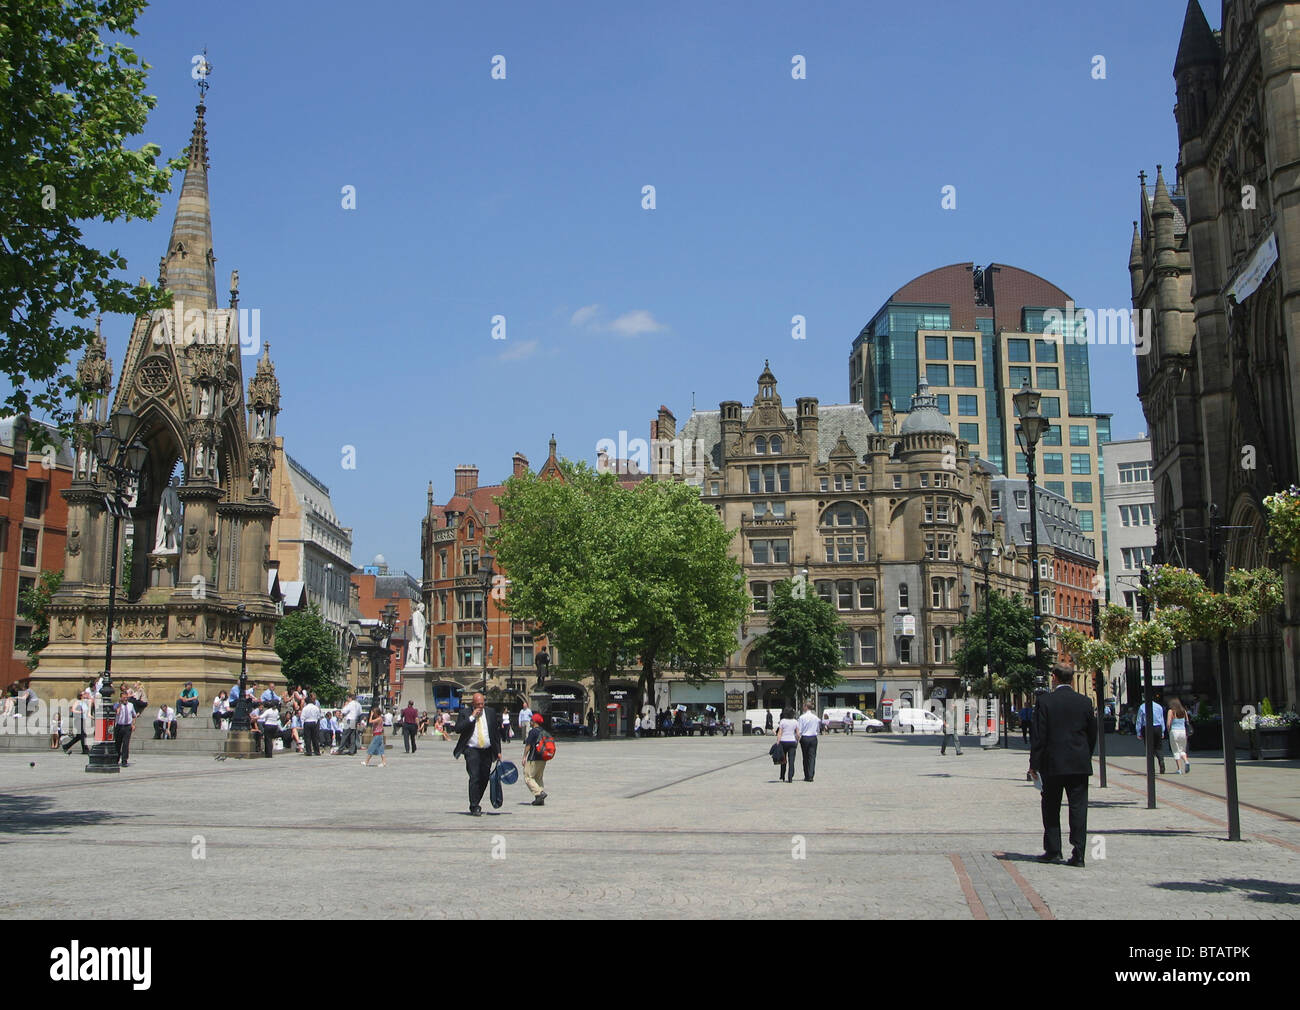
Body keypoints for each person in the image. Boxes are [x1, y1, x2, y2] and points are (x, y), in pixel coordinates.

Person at [1030, 667, 1098, 867]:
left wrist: (1034, 764)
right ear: (1071, 679)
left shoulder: (1045, 702)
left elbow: (1039, 736)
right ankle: (1079, 853)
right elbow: (1092, 734)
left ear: (1055, 677)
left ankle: (1053, 850)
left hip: (1052, 764)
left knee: (1051, 807)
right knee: (1078, 807)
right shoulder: (1085, 702)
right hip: (1078, 763)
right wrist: (1085, 754)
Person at [453, 692, 501, 815]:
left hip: (487, 750)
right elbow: (458, 729)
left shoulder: (490, 712)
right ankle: (474, 806)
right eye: (478, 704)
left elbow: (495, 733)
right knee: (474, 777)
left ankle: (476, 800)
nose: (480, 706)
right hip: (472, 749)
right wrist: (472, 717)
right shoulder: (465, 713)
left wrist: (498, 751)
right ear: (473, 704)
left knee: (485, 777)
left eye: (482, 703)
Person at [522, 712, 550, 806]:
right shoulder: (543, 731)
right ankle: (539, 800)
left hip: (533, 758)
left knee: (528, 777)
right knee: (538, 778)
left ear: (534, 722)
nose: (530, 721)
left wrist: (524, 756)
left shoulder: (533, 731)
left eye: (531, 720)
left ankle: (539, 794)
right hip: (543, 758)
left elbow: (528, 745)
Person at [1135, 694, 1167, 774]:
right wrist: (1162, 731)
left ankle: (1151, 768)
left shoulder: (1142, 707)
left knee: (1149, 748)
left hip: (1147, 728)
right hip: (1158, 727)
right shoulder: (1159, 707)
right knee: (1159, 747)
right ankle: (1161, 761)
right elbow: (1161, 719)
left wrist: (1138, 732)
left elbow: (1139, 720)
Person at [796, 702, 820, 781]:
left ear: (806, 707)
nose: (803, 707)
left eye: (803, 706)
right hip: (813, 737)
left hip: (805, 738)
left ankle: (806, 775)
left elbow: (799, 730)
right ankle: (811, 775)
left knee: (805, 757)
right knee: (812, 757)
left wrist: (797, 739)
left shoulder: (802, 717)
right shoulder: (815, 717)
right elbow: (818, 729)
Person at [1166, 698, 1191, 775]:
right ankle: (1186, 761)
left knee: (1176, 750)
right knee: (1182, 750)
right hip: (1183, 732)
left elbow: (1168, 723)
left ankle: (1179, 769)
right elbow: (1187, 721)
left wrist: (1168, 730)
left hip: (1174, 732)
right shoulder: (1184, 711)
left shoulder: (1171, 711)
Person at [114, 689, 137, 767]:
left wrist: (133, 724)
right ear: (121, 698)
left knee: (126, 744)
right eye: (124, 698)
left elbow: (134, 715)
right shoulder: (117, 704)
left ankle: (124, 760)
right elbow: (117, 712)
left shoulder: (131, 705)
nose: (125, 699)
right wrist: (120, 704)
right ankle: (116, 759)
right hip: (119, 726)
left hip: (127, 726)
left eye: (126, 697)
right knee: (118, 744)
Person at [776, 707, 800, 783]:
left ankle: (782, 775)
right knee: (791, 760)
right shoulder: (795, 722)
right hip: (792, 741)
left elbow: (780, 732)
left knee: (783, 759)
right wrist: (797, 741)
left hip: (783, 742)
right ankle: (790, 777)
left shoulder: (782, 721)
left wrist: (778, 741)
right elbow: (797, 734)